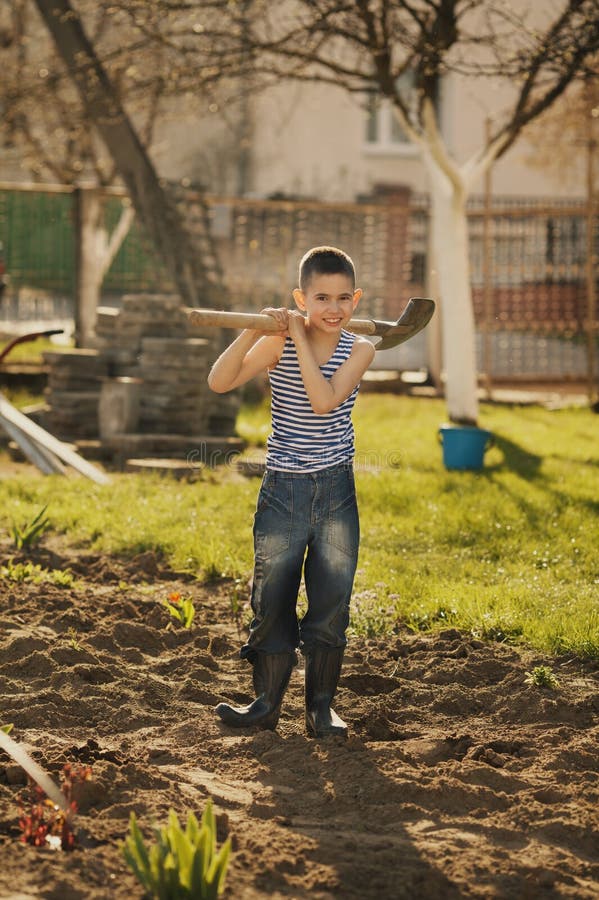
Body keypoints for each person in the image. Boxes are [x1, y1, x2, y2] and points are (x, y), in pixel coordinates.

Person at [208, 246, 375, 738]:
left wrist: (298, 334)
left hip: (335, 493)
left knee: (331, 601)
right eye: (321, 297)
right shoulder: (276, 343)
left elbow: (323, 402)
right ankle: (265, 703)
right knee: (272, 597)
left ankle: (320, 708)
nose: (333, 308)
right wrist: (254, 330)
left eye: (344, 298)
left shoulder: (361, 349)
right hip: (284, 490)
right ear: (300, 297)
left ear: (357, 299)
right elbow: (219, 382)